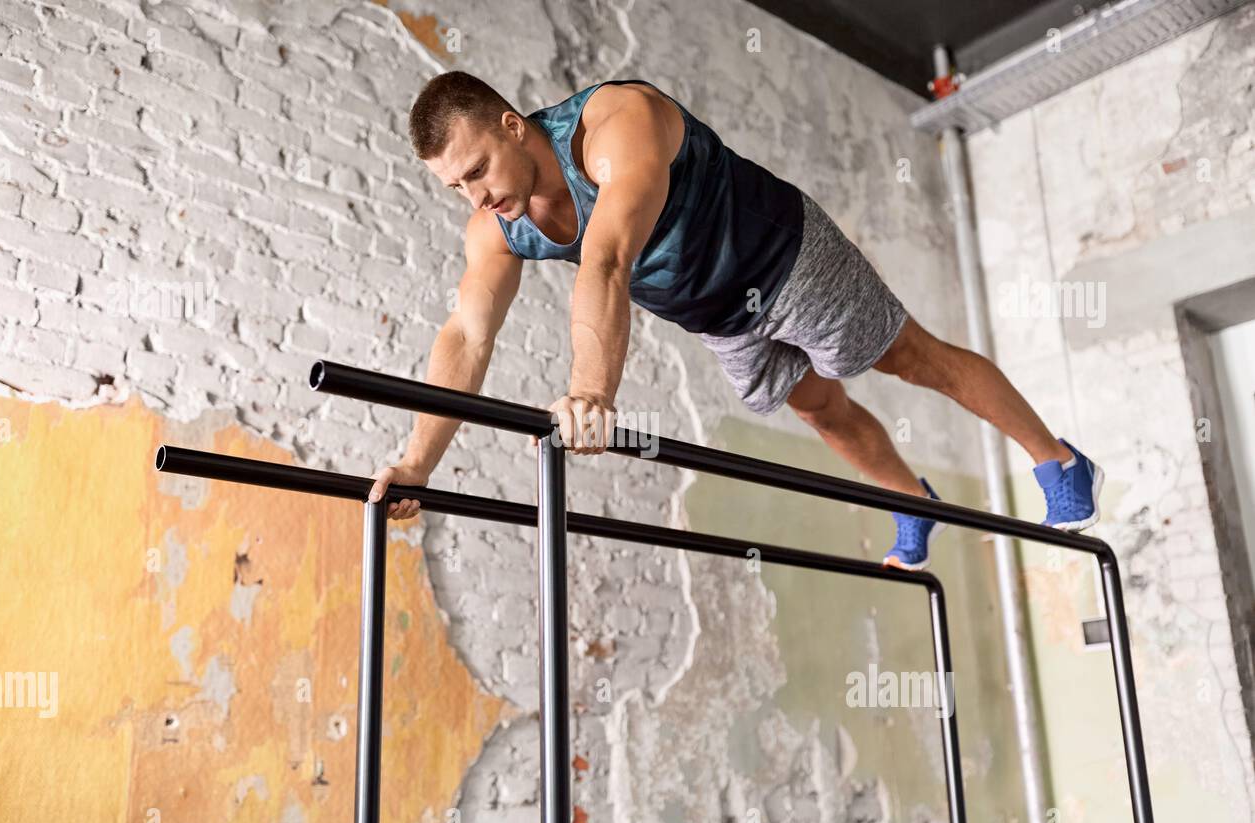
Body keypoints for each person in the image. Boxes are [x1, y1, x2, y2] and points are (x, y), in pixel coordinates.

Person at [368, 72, 1103, 570]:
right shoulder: (495, 227)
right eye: (454, 185)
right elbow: (468, 335)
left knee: (908, 357)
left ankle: (1059, 460)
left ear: (511, 125)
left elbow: (608, 262)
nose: (474, 195)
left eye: (477, 169)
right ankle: (912, 501)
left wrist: (592, 391)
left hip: (780, 253)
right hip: (719, 315)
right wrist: (417, 464)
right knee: (821, 411)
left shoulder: (614, 123)